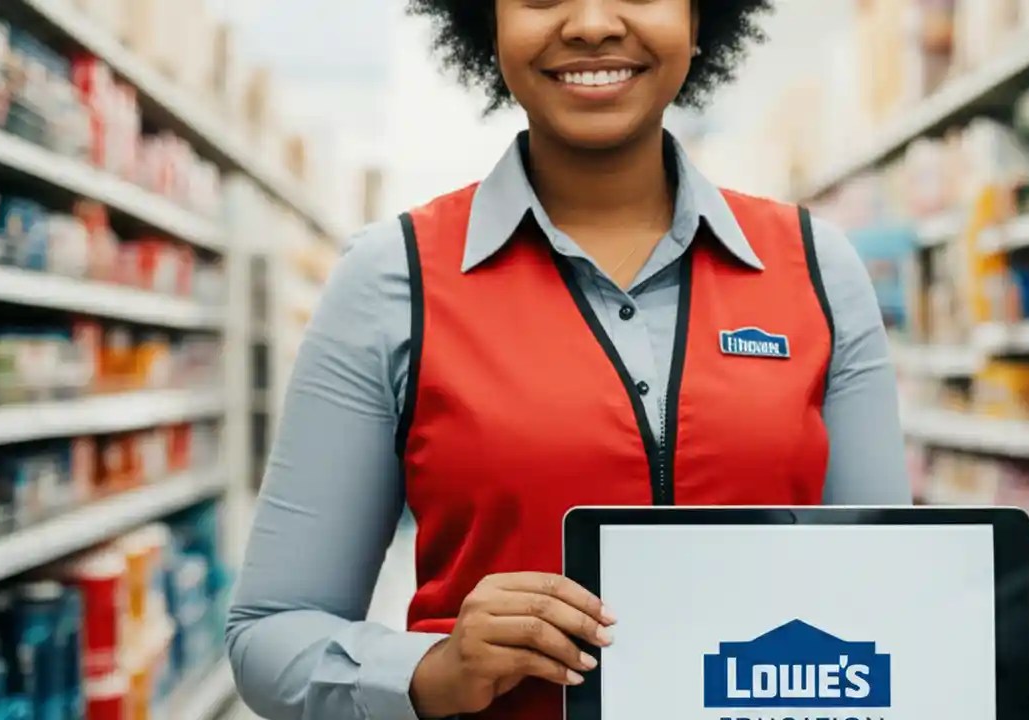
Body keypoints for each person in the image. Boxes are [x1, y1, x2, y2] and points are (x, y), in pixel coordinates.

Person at [226, 1, 911, 719]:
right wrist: (433, 669)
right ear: (487, 21)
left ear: (698, 16)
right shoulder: (394, 277)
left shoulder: (815, 269)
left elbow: (895, 589)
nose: (591, 23)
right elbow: (270, 633)